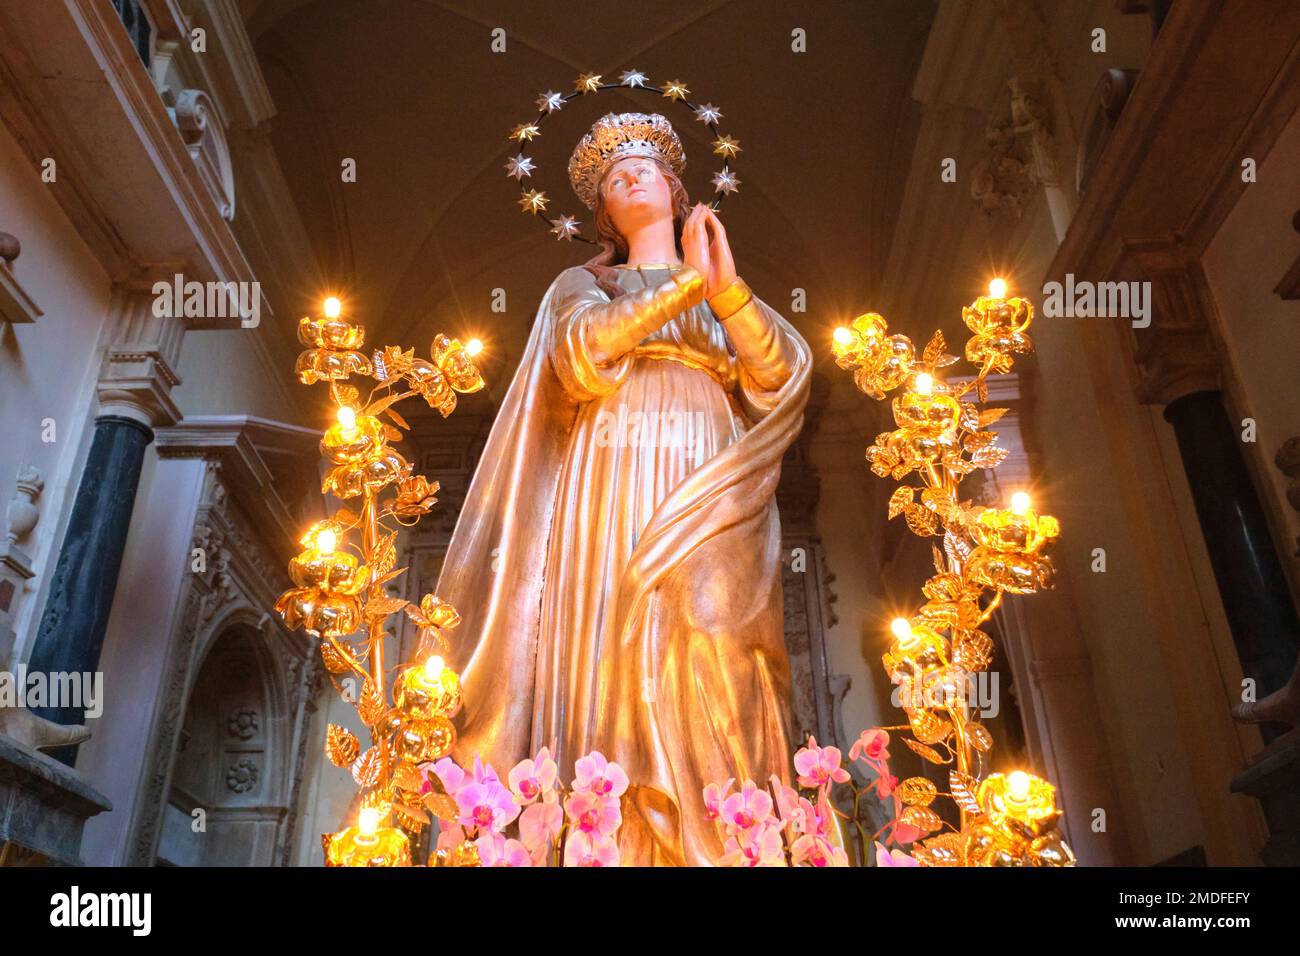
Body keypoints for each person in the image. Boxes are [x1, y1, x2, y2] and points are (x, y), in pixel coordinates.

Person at [429, 112, 812, 865]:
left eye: (644, 168)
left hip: (711, 469)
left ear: (675, 188)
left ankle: (732, 841)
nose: (629, 176)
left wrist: (724, 292)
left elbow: (780, 376)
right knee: (609, 628)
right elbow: (579, 352)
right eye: (613, 176)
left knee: (716, 634)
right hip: (607, 472)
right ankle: (606, 836)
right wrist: (683, 289)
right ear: (603, 211)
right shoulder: (582, 284)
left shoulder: (725, 292)